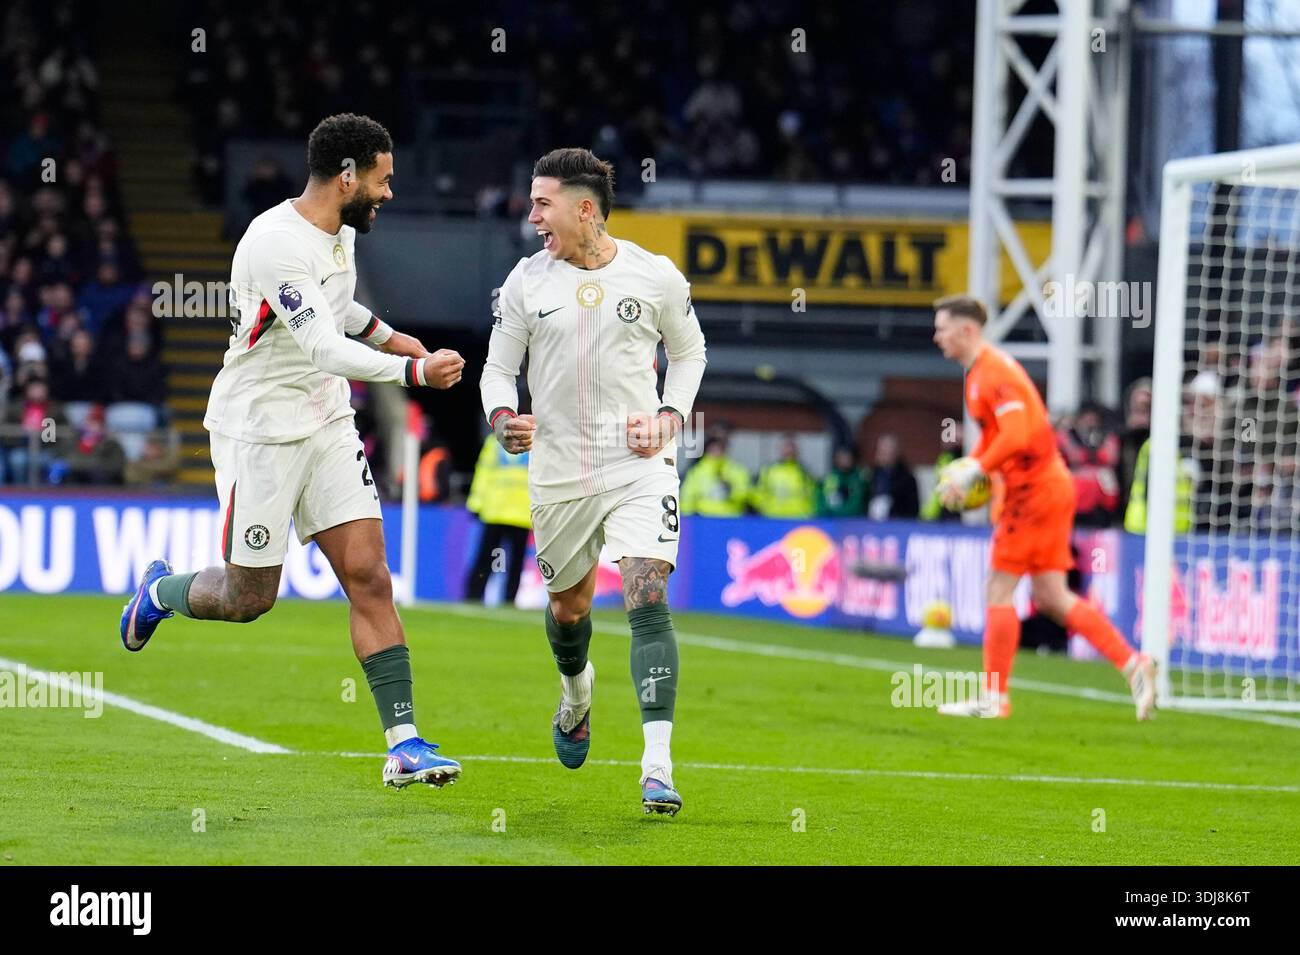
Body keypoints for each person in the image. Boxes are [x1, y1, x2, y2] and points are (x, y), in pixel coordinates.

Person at [118, 114, 468, 789]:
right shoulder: (274, 242)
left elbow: (342, 312)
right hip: (260, 433)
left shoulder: (340, 230)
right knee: (250, 597)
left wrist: (398, 339)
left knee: (369, 575)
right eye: (382, 179)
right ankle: (159, 592)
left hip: (327, 422)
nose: (389, 193)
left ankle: (404, 743)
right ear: (348, 176)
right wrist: (414, 374)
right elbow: (323, 346)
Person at [480, 147, 707, 815]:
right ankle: (577, 692)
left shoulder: (655, 275)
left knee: (645, 592)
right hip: (559, 469)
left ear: (586, 209)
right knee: (569, 609)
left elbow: (690, 351)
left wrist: (671, 415)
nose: (532, 215)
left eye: (542, 203)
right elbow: (498, 369)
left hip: (638, 463)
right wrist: (501, 415)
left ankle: (657, 766)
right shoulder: (526, 282)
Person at [930, 294, 1155, 720]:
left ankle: (994, 698)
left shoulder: (993, 374)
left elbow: (1018, 436)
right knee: (1052, 597)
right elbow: (1000, 435)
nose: (937, 337)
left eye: (942, 328)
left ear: (966, 330)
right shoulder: (981, 373)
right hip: (1045, 489)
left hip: (1033, 494)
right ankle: (1134, 665)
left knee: (998, 589)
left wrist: (974, 468)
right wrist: (972, 468)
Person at [464, 432, 532, 604]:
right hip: (503, 511)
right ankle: (475, 597)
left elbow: (483, 472)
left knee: (508, 563)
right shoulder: (495, 441)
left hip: (514, 511)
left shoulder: (533, 440)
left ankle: (505, 600)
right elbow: (484, 471)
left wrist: (476, 503)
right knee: (490, 561)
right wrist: (476, 503)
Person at [680, 432, 750, 516]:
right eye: (712, 450)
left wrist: (731, 490)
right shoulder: (697, 471)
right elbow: (687, 496)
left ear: (724, 450)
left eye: (718, 449)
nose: (715, 453)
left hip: (731, 518)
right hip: (703, 518)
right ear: (706, 451)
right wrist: (687, 516)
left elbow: (745, 494)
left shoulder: (736, 470)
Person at [750, 434, 816, 518]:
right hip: (773, 519)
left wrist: (806, 513)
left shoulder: (805, 472)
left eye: (792, 447)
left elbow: (813, 497)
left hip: (797, 521)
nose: (789, 450)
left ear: (797, 450)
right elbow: (756, 493)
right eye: (786, 446)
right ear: (780, 449)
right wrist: (766, 509)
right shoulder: (769, 471)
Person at [865, 433, 919, 519]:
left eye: (886, 451)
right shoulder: (871, 475)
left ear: (895, 452)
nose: (881, 454)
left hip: (896, 525)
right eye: (880, 450)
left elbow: (913, 509)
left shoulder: (907, 478)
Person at [816, 445, 865, 517]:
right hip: (831, 521)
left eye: (848, 457)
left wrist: (838, 512)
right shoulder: (830, 478)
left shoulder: (858, 478)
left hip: (852, 521)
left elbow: (857, 505)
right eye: (843, 457)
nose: (846, 460)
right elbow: (822, 502)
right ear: (837, 458)